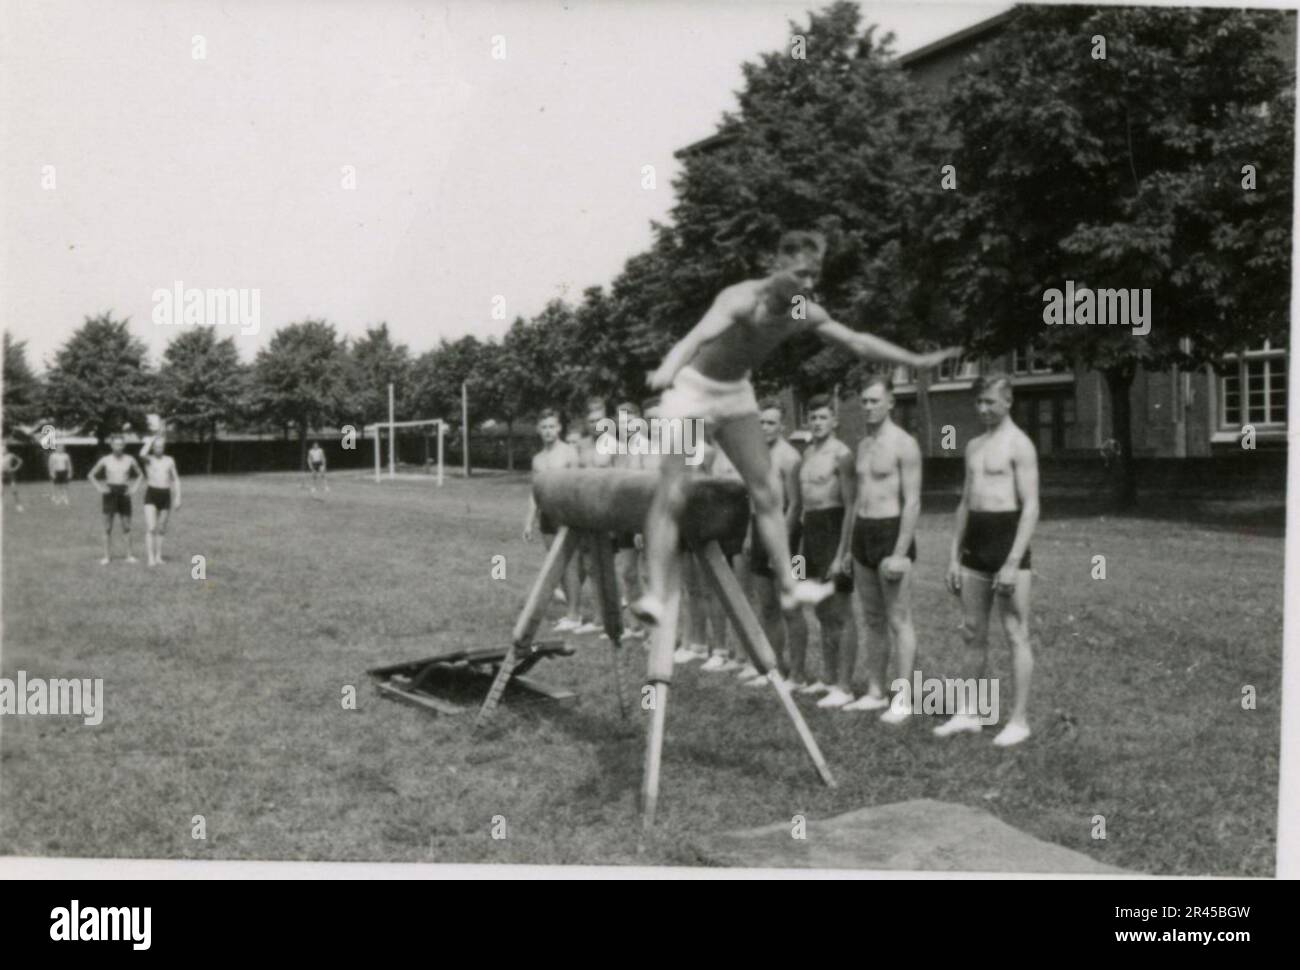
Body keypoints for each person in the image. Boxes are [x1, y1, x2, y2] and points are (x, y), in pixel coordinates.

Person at [635, 230, 957, 642]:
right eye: (800, 274)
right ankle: (657, 595)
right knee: (673, 490)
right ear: (777, 266)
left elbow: (856, 341)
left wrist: (912, 359)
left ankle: (789, 585)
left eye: (814, 276)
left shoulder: (803, 309)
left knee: (767, 489)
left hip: (735, 394)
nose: (807, 284)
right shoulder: (741, 299)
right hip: (693, 391)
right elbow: (694, 338)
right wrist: (666, 369)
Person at [934, 374, 1039, 747]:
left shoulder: (1020, 445)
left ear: (1008, 401)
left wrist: (1012, 562)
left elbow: (1031, 507)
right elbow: (964, 502)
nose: (983, 409)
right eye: (978, 402)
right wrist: (952, 556)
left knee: (1015, 631)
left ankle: (1019, 720)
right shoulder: (974, 445)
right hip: (975, 545)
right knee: (972, 631)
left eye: (990, 402)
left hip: (1007, 541)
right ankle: (969, 713)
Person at [840, 376, 922, 724]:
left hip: (891, 534)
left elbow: (914, 501)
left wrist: (901, 552)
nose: (869, 407)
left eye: (875, 401)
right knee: (872, 618)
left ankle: (903, 699)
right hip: (863, 533)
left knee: (898, 619)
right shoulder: (862, 446)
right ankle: (875, 691)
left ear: (891, 402)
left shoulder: (905, 444)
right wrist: (847, 548)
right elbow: (857, 499)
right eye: (865, 401)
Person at [736, 402, 807, 687]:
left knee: (791, 605)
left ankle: (799, 674)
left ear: (782, 426)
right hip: (759, 530)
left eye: (770, 422)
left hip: (786, 534)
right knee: (767, 605)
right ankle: (774, 666)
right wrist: (750, 536)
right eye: (760, 422)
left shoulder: (790, 458)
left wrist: (783, 545)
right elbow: (755, 500)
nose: (764, 427)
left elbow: (796, 504)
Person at [796, 394, 858, 707]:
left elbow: (851, 506)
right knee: (820, 609)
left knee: (840, 611)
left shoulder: (842, 455)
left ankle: (845, 686)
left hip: (834, 527)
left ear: (835, 421)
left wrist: (842, 553)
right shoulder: (807, 452)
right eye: (813, 417)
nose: (817, 423)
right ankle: (830, 677)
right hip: (812, 531)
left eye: (823, 417)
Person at [524, 410, 583, 632]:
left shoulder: (569, 453)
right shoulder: (537, 459)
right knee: (555, 566)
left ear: (559, 428)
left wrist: (576, 514)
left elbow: (579, 485)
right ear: (539, 431)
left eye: (552, 426)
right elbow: (534, 492)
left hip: (567, 515)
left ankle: (574, 614)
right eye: (544, 427)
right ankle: (571, 611)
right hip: (546, 517)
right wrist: (528, 521)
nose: (548, 431)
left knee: (570, 565)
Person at [88, 433, 144, 564]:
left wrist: (134, 488)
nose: (118, 446)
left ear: (124, 445)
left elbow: (140, 475)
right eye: (116, 444)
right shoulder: (105, 460)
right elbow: (91, 475)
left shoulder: (130, 459)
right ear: (111, 445)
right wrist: (99, 488)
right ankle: (106, 557)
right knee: (107, 527)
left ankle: (129, 556)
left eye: (121, 444)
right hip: (109, 493)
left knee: (127, 526)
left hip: (124, 492)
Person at [141, 437, 181, 566]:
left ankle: (158, 556)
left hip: (165, 495)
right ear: (153, 448)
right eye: (157, 446)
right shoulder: (149, 459)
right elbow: (141, 454)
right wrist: (149, 441)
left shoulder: (169, 460)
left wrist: (178, 497)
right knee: (151, 527)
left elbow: (176, 479)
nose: (159, 449)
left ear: (164, 447)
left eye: (161, 446)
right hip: (151, 494)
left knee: (162, 528)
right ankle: (150, 558)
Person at [2, 445, 24, 512]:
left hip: (10, 474)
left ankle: (18, 505)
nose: (3, 450)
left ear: (6, 449)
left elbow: (20, 461)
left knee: (14, 490)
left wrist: (15, 468)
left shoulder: (10, 455)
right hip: (2, 474)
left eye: (4, 449)